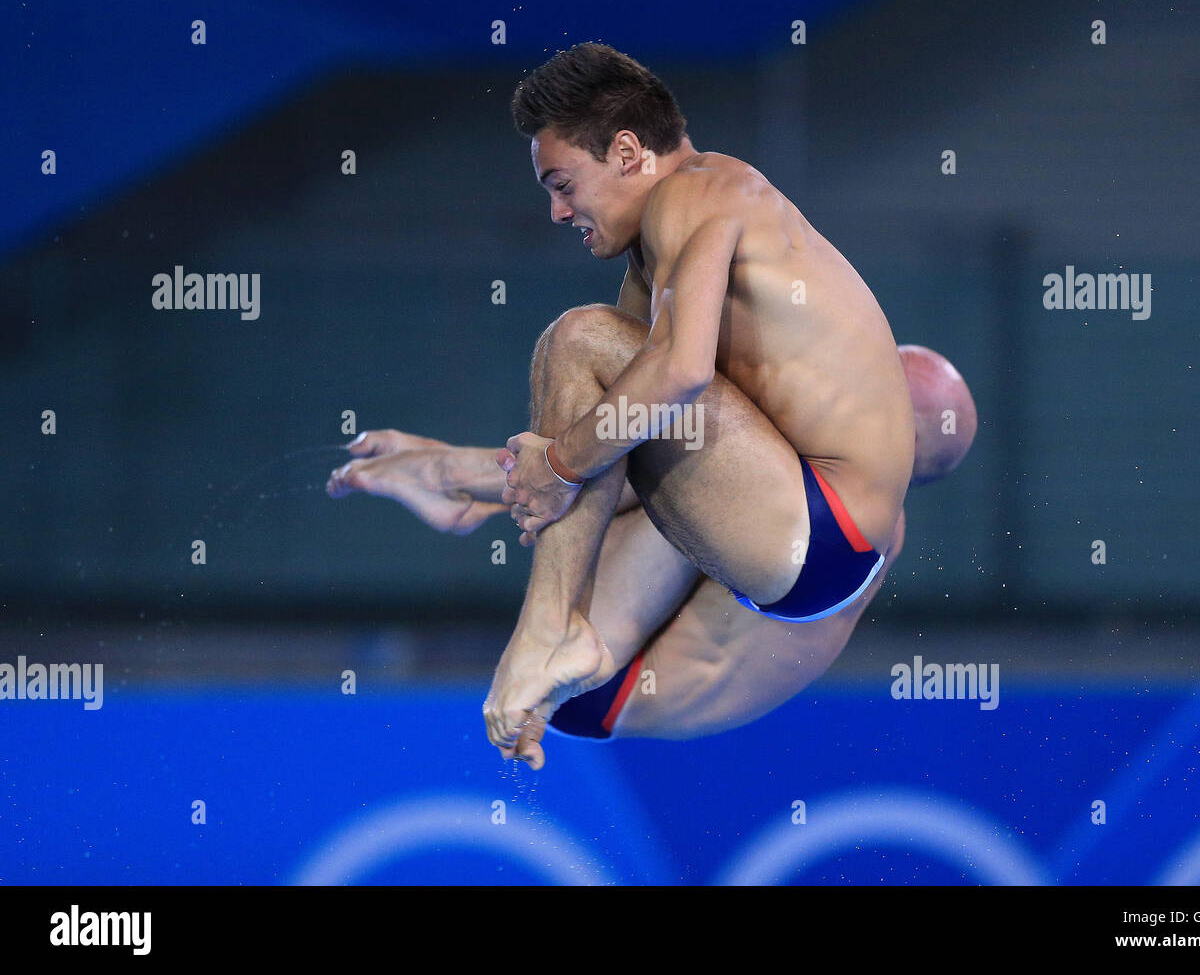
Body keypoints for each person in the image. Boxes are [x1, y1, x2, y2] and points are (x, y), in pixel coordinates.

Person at [327, 43, 977, 769]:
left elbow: (680, 371)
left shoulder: (698, 191)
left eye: (563, 183)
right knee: (610, 401)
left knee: (582, 343)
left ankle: (549, 626)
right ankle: (488, 529)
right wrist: (477, 470)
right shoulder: (676, 253)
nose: (556, 210)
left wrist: (556, 467)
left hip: (784, 560)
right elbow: (621, 428)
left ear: (629, 150)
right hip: (789, 557)